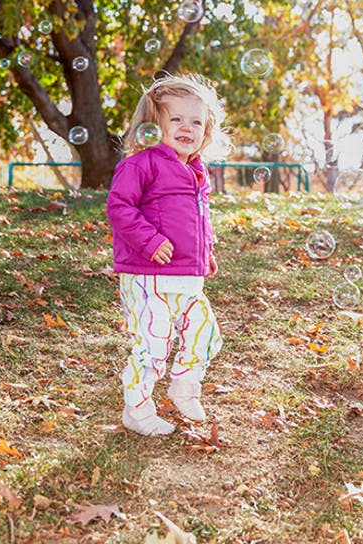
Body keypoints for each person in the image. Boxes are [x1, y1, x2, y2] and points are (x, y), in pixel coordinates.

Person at [106, 74, 228, 436]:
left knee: (205, 331)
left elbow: (195, 220)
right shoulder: (141, 164)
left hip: (187, 277)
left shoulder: (196, 171)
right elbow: (119, 206)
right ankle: (138, 409)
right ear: (153, 125)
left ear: (206, 130)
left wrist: (206, 253)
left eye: (195, 121)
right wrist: (150, 241)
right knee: (154, 342)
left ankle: (184, 386)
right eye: (175, 119)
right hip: (148, 275)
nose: (186, 127)